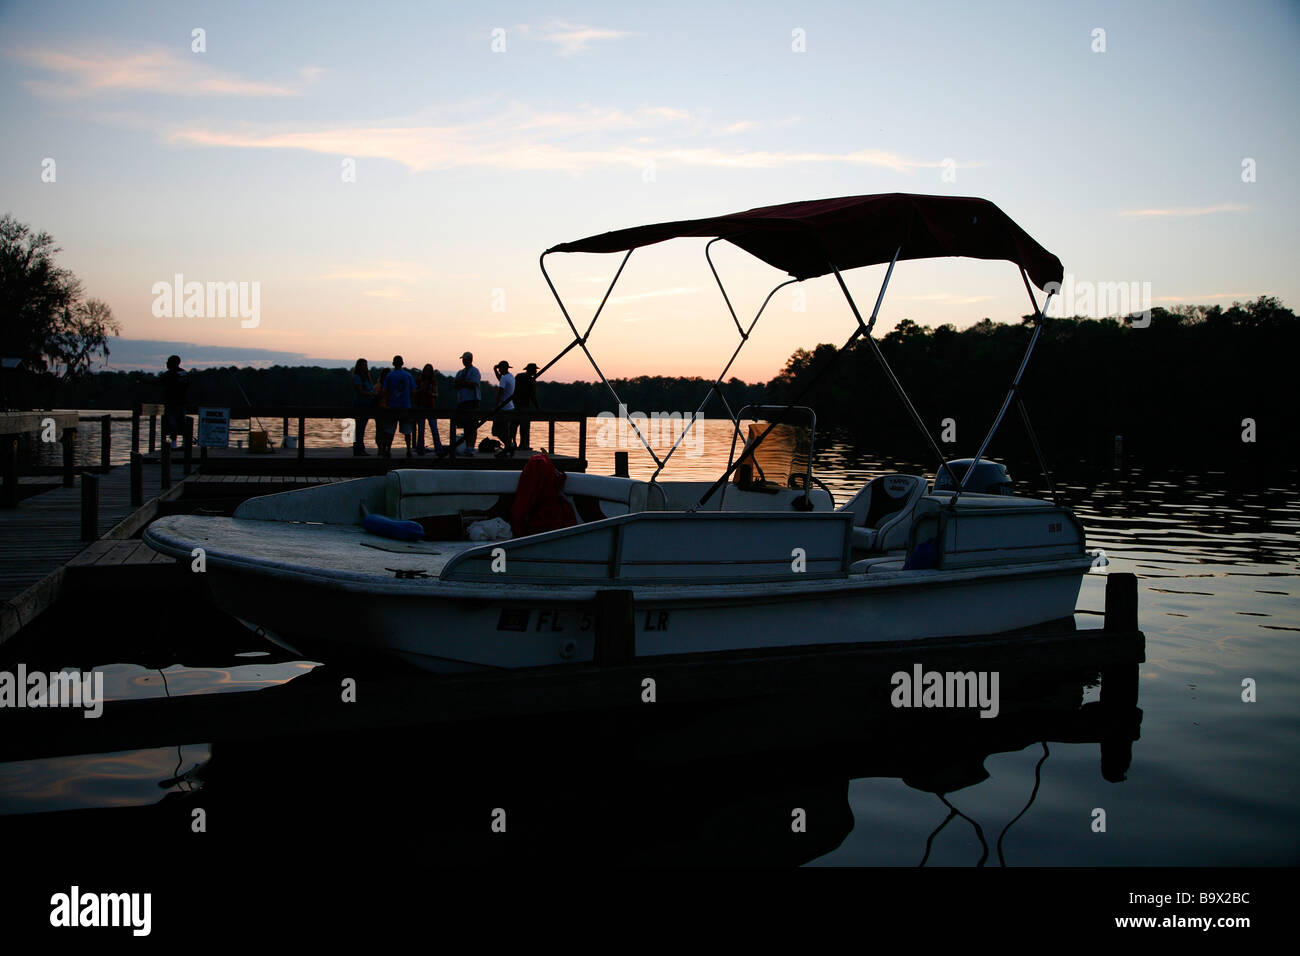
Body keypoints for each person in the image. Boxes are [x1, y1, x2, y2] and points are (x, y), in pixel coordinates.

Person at [384, 355, 417, 458]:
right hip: (405, 406)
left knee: (390, 430)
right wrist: (412, 402)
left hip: (392, 406)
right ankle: (408, 450)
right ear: (402, 363)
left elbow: (385, 391)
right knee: (407, 431)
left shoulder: (389, 376)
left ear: (393, 363)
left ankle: (388, 450)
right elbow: (413, 390)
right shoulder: (407, 375)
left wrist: (386, 403)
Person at [414, 363, 447, 457]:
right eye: (426, 370)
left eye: (429, 370)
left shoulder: (433, 382)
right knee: (421, 428)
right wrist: (421, 389)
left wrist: (430, 393)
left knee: (434, 428)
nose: (427, 372)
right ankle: (420, 448)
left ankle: (438, 449)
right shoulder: (419, 380)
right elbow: (414, 392)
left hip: (430, 407)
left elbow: (436, 394)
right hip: (421, 406)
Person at [452, 351, 481, 456]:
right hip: (462, 401)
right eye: (463, 359)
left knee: (472, 425)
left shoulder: (475, 371)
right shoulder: (460, 372)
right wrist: (463, 383)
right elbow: (455, 384)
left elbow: (473, 384)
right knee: (465, 424)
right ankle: (467, 446)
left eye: (465, 359)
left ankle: (471, 447)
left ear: (470, 360)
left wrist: (462, 383)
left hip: (472, 401)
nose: (464, 361)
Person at [160, 355, 189, 448]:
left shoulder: (169, 374)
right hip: (182, 402)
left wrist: (142, 380)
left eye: (168, 362)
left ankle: (173, 444)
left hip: (171, 403)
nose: (166, 364)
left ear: (173, 363)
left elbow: (158, 382)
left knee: (172, 422)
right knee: (182, 421)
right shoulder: (184, 373)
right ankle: (184, 444)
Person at [491, 361, 517, 458]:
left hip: (503, 408)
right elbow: (501, 379)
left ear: (503, 368)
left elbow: (500, 393)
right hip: (511, 407)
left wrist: (496, 406)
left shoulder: (504, 378)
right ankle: (508, 449)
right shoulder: (510, 377)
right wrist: (495, 371)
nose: (498, 370)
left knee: (496, 431)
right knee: (505, 430)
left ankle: (509, 447)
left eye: (499, 369)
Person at [351, 358, 376, 456]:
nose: (365, 367)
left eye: (366, 365)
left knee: (362, 427)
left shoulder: (366, 377)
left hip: (367, 405)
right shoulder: (357, 377)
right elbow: (360, 391)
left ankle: (360, 448)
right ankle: (358, 448)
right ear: (359, 366)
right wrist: (371, 394)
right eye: (363, 365)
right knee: (359, 427)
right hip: (360, 405)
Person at [514, 361, 541, 450]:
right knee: (524, 426)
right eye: (535, 370)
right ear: (532, 371)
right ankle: (523, 444)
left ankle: (513, 443)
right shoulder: (531, 381)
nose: (536, 372)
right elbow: (532, 396)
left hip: (515, 404)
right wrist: (538, 408)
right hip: (524, 405)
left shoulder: (519, 376)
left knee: (514, 425)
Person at [374, 368, 394, 458]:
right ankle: (381, 448)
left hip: (388, 409)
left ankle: (386, 448)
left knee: (386, 431)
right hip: (380, 409)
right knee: (380, 430)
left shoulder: (389, 385)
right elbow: (376, 396)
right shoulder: (379, 385)